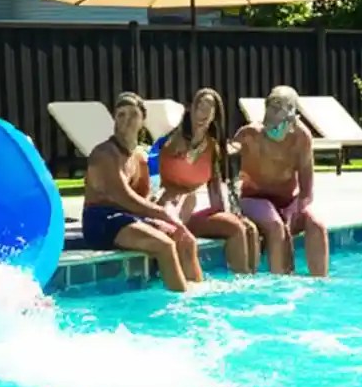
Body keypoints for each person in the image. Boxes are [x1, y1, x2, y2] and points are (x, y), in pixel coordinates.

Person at [81, 92, 203, 293]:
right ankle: (182, 301)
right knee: (164, 246)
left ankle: (199, 296)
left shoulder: (140, 158)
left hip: (128, 218)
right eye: (121, 115)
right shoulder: (104, 154)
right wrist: (163, 214)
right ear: (114, 119)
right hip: (102, 220)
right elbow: (124, 197)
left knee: (186, 240)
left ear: (142, 120)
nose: (127, 120)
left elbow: (143, 199)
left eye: (133, 114)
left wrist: (168, 202)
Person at [154, 88, 261, 274]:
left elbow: (215, 188)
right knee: (235, 228)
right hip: (175, 209)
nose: (203, 113)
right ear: (191, 110)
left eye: (209, 108)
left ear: (214, 115)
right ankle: (240, 278)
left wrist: (228, 213)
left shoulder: (212, 147)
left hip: (197, 210)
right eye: (200, 107)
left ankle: (251, 279)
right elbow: (166, 179)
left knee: (249, 227)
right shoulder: (175, 142)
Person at [230, 85, 330, 277]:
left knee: (317, 226)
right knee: (276, 225)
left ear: (292, 115)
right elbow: (228, 167)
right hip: (254, 198)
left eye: (278, 108)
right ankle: (280, 283)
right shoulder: (250, 135)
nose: (272, 113)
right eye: (270, 107)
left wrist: (294, 211)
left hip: (287, 201)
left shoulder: (301, 137)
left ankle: (320, 282)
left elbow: (307, 190)